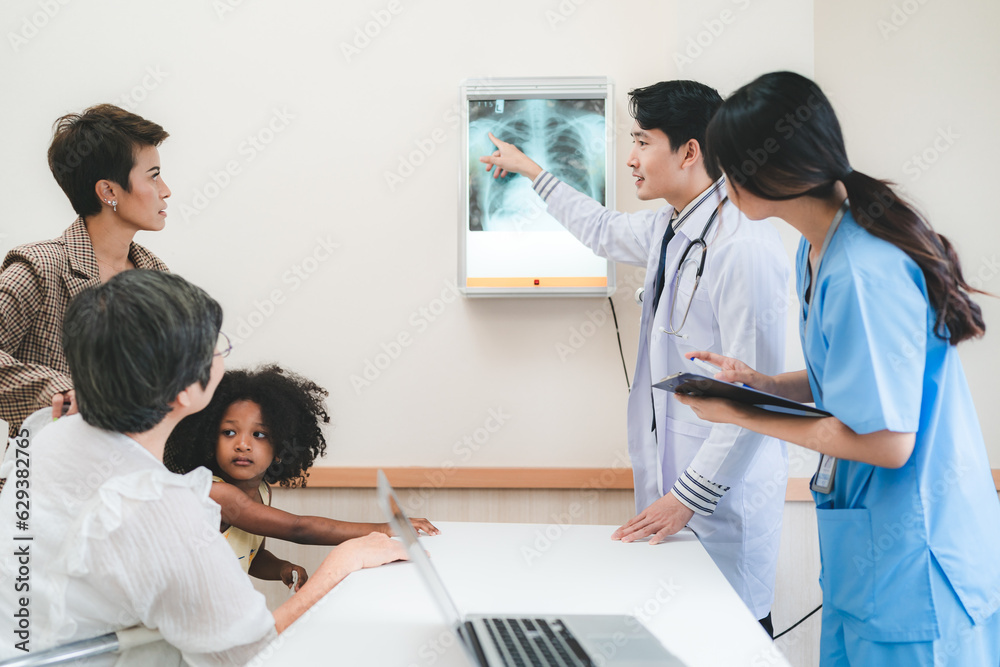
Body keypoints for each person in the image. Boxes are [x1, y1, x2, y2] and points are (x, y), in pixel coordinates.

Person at [681, 70, 1000, 664]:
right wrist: (762, 385)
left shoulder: (862, 270)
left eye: (729, 170)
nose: (723, 186)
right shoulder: (818, 247)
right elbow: (853, 380)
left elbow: (887, 442)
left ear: (771, 171)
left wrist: (741, 413)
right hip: (871, 555)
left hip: (918, 569)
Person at [480, 80, 790, 633]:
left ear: (689, 151)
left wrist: (686, 499)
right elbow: (602, 229)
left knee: (727, 638)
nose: (631, 158)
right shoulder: (672, 226)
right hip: (674, 500)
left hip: (720, 507)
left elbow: (754, 398)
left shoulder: (742, 245)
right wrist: (530, 169)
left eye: (643, 142)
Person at [0, 270, 407, 665]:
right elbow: (244, 654)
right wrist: (344, 564)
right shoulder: (160, 509)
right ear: (184, 390)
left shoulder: (48, 433)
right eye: (214, 348)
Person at [165, 364, 438, 588]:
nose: (243, 444)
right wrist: (385, 528)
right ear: (209, 440)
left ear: (280, 449)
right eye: (229, 432)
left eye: (259, 434)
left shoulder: (263, 492)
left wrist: (281, 568)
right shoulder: (216, 494)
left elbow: (253, 555)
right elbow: (298, 528)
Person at [0, 104, 171, 436]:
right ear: (108, 191)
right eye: (153, 175)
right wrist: (59, 392)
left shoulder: (158, 277)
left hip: (137, 464)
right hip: (49, 465)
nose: (165, 190)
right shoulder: (39, 267)